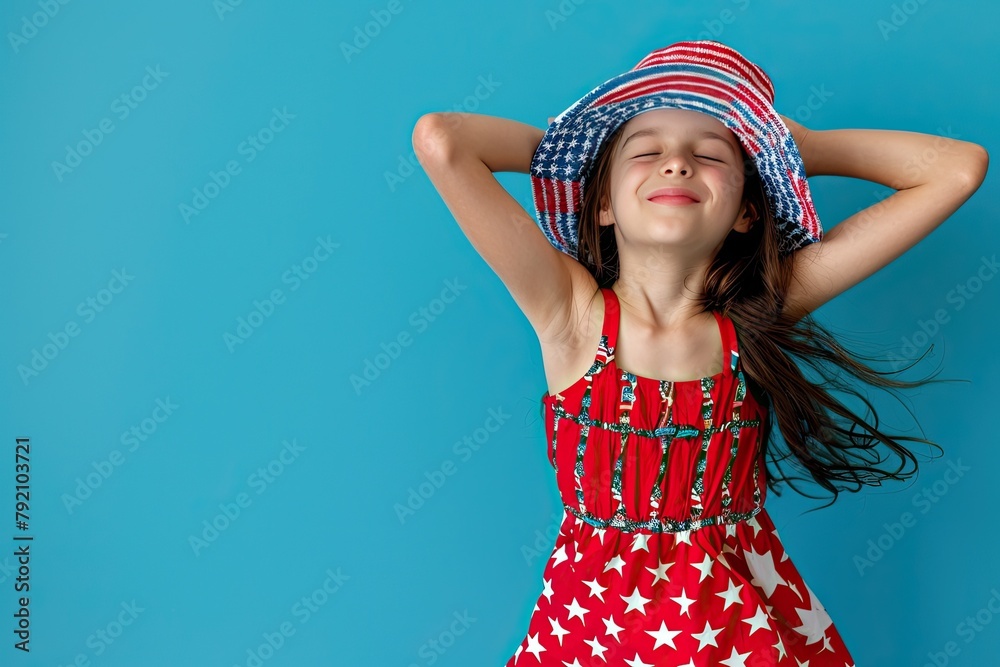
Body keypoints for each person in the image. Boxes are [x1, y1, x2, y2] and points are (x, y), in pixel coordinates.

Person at [411, 39, 988, 666]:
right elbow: (443, 141)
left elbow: (956, 168)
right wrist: (572, 155)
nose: (677, 164)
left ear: (745, 211)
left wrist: (804, 150)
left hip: (744, 636)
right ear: (602, 201)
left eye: (710, 153)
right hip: (594, 637)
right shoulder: (570, 313)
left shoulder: (758, 314)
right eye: (646, 150)